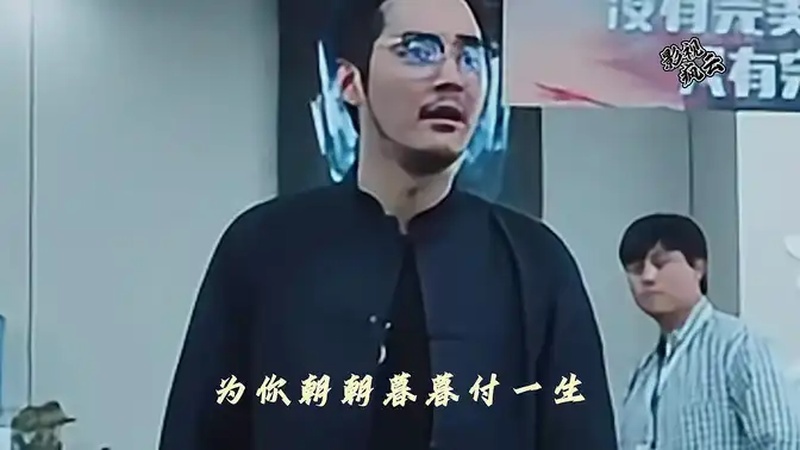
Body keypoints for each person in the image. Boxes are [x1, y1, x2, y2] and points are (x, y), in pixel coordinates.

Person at [158, 0, 617, 448]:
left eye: (469, 57)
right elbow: (201, 428)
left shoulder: (535, 263)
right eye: (419, 50)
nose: (453, 78)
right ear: (350, 82)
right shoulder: (263, 248)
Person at [617, 213, 800, 449]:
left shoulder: (739, 346)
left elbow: (782, 440)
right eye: (636, 268)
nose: (648, 277)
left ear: (698, 267)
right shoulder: (645, 372)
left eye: (661, 264)